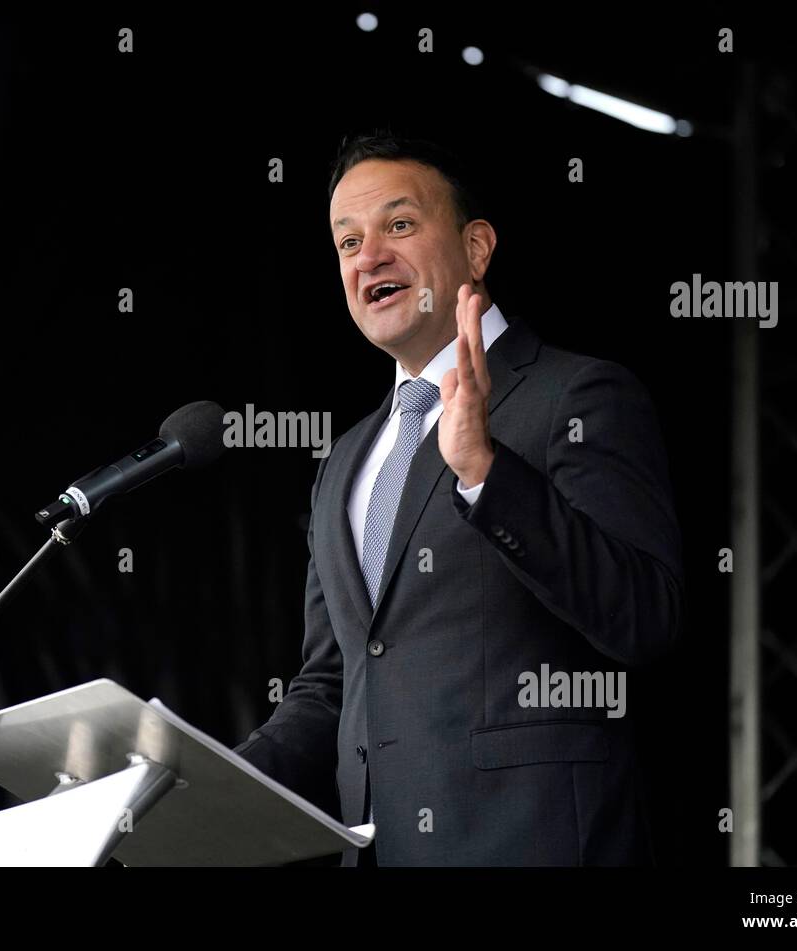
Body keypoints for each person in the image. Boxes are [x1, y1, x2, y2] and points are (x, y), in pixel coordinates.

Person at [234, 133, 684, 866]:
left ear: (476, 249)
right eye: (347, 241)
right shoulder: (343, 460)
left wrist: (485, 470)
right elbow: (332, 686)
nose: (368, 256)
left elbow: (646, 616)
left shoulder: (575, 394)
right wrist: (206, 784)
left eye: (399, 225)